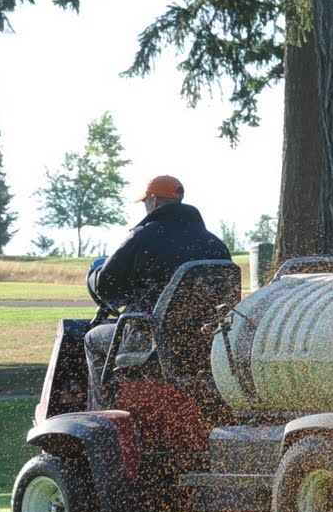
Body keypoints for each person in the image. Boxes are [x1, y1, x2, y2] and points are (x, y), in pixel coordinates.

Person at [83, 175, 231, 409]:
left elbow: (106, 286)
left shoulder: (143, 236)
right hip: (203, 345)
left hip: (151, 341)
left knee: (93, 338)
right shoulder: (215, 244)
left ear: (153, 200)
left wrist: (93, 275)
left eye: (145, 202)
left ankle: (103, 420)